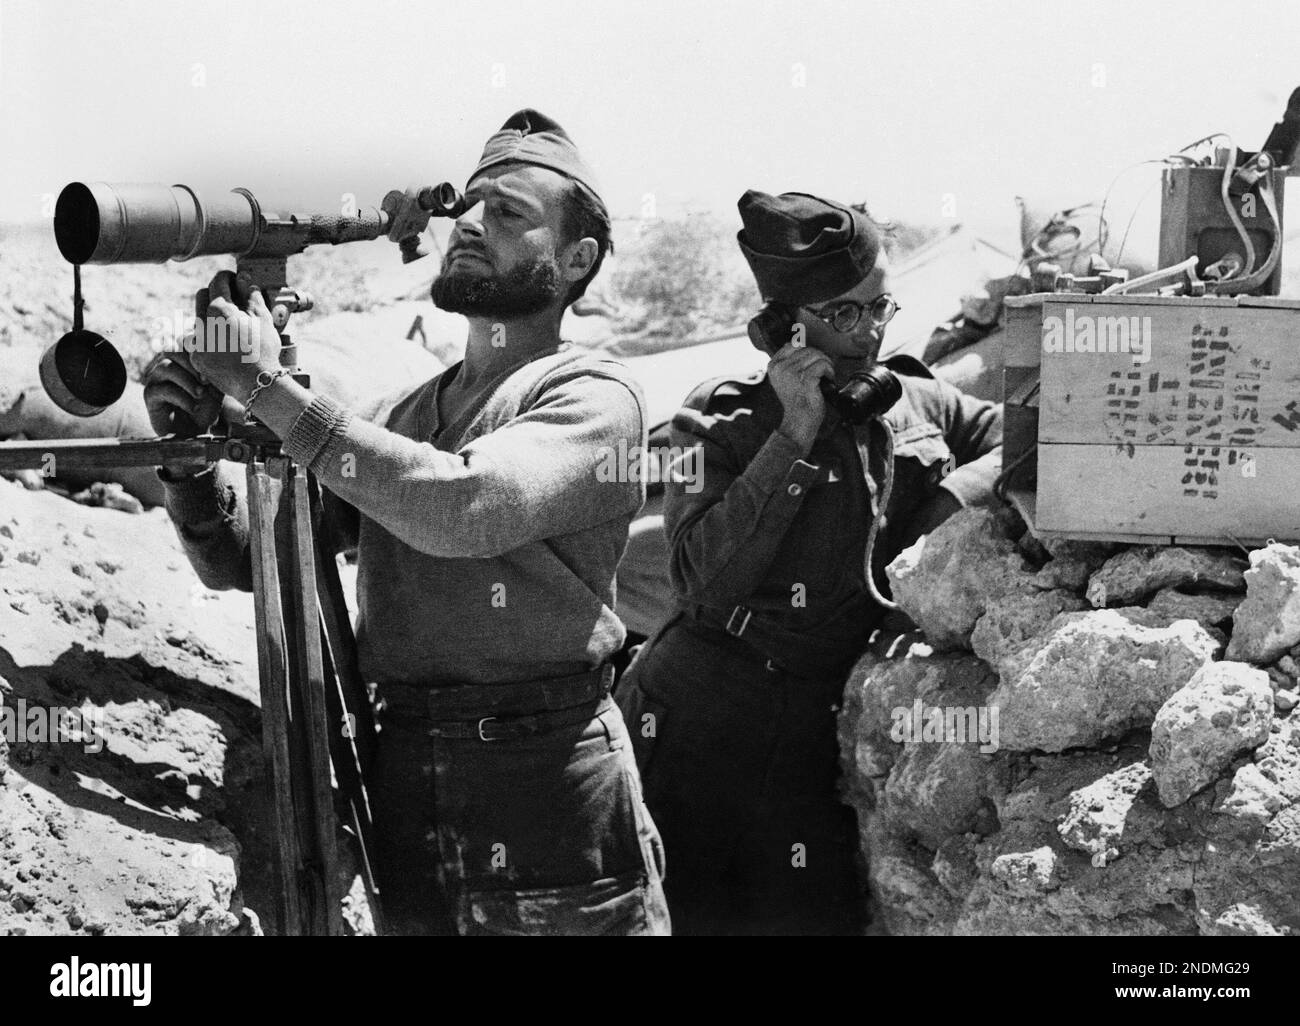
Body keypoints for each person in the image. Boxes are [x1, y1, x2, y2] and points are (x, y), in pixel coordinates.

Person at [144, 109, 670, 936]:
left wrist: (270, 391)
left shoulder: (594, 399)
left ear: (577, 261)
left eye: (509, 214)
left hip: (545, 783)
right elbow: (253, 562)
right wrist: (189, 458)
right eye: (471, 206)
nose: (472, 224)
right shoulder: (410, 412)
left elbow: (462, 508)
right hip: (407, 779)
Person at [615, 190, 1002, 935]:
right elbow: (702, 579)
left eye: (879, 308)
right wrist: (793, 435)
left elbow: (1013, 434)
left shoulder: (915, 401)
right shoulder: (717, 421)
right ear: (781, 327)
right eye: (842, 314)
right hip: (703, 715)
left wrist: (943, 508)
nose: (868, 336)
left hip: (818, 723)